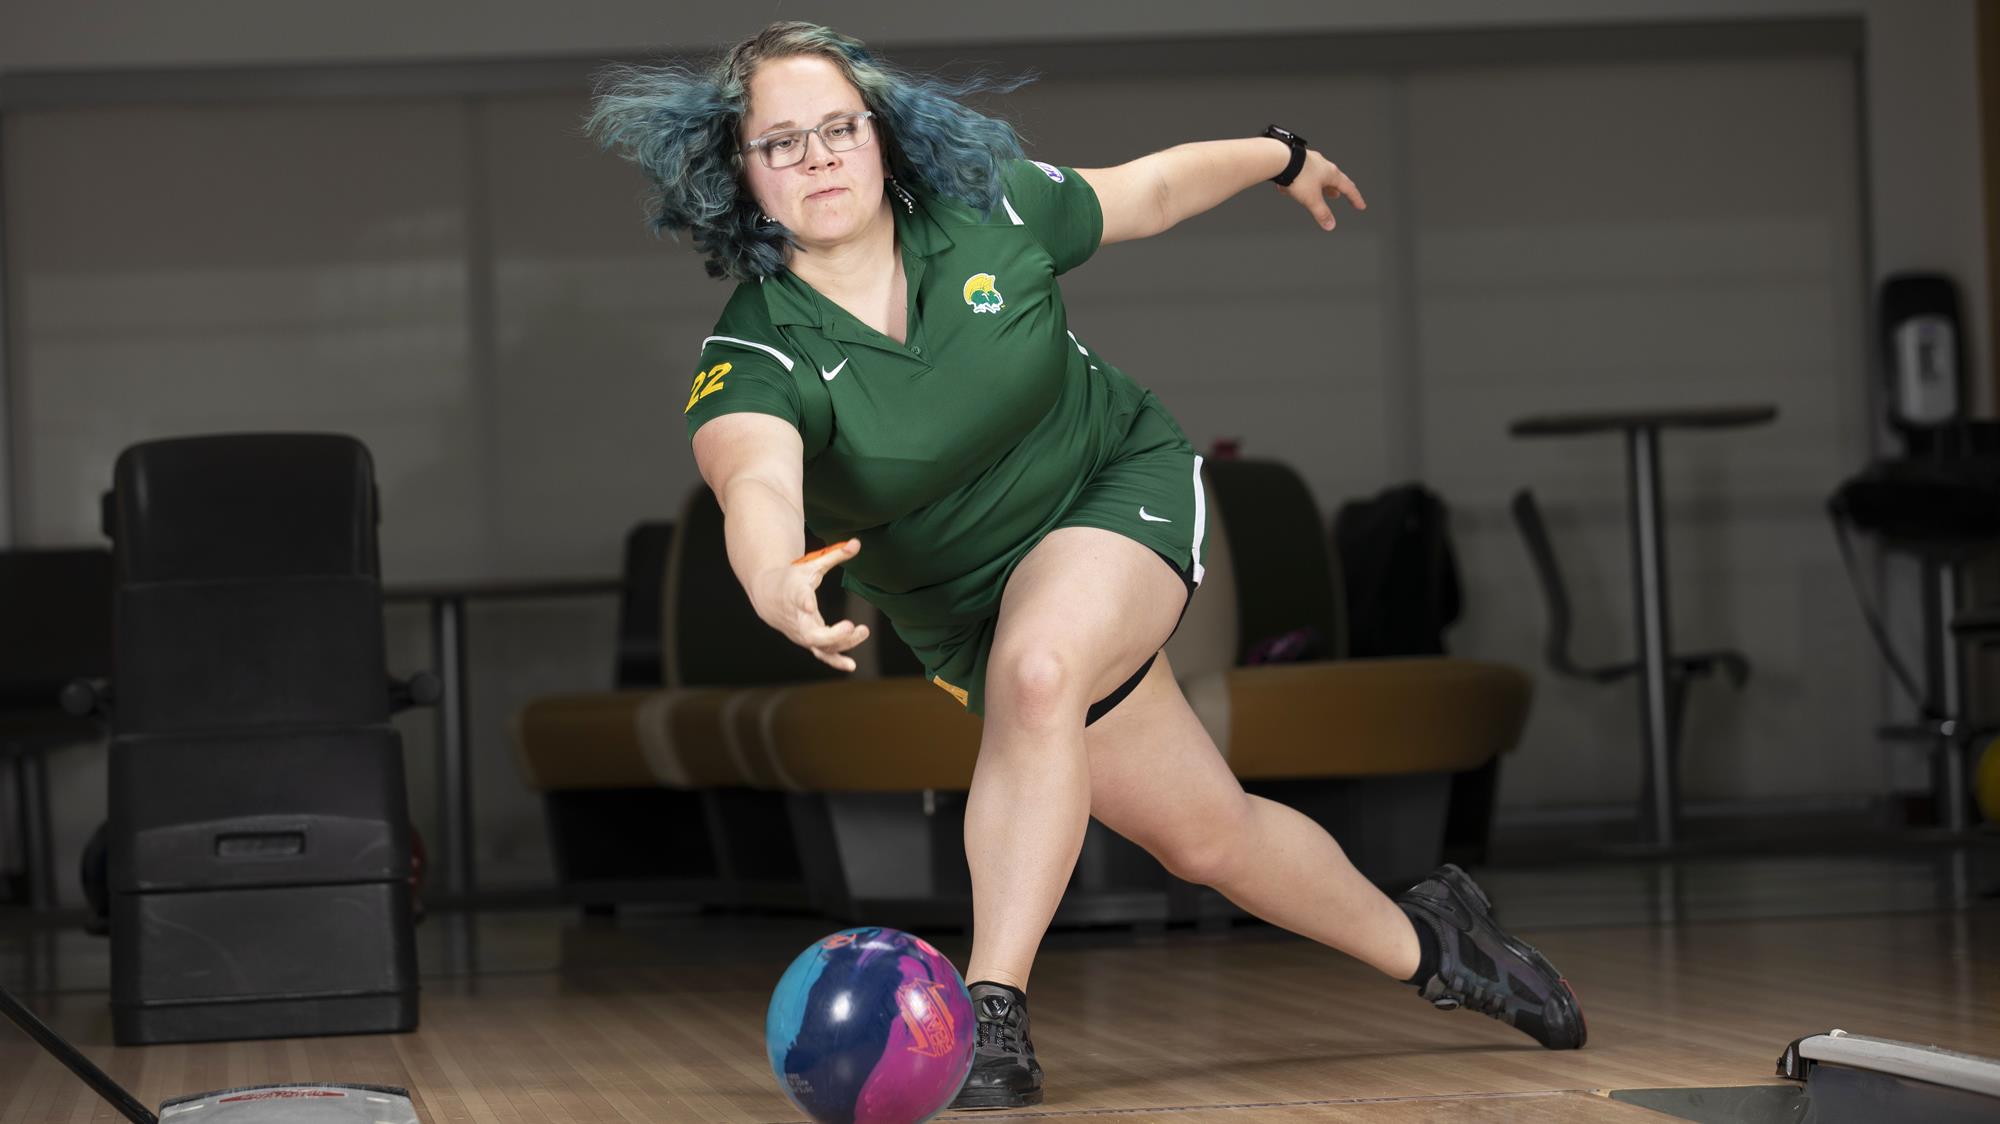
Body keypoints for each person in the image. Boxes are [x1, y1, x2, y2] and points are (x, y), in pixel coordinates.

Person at [590, 21, 1586, 1110]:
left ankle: (992, 1008)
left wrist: (1281, 155)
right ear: (737, 172)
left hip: (1111, 487)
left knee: (1041, 669)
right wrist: (773, 575)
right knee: (1209, 834)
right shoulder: (755, 351)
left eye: (838, 127)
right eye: (781, 142)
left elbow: (1146, 192)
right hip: (964, 606)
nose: (818, 156)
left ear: (881, 135)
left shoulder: (992, 211)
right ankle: (1440, 945)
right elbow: (754, 482)